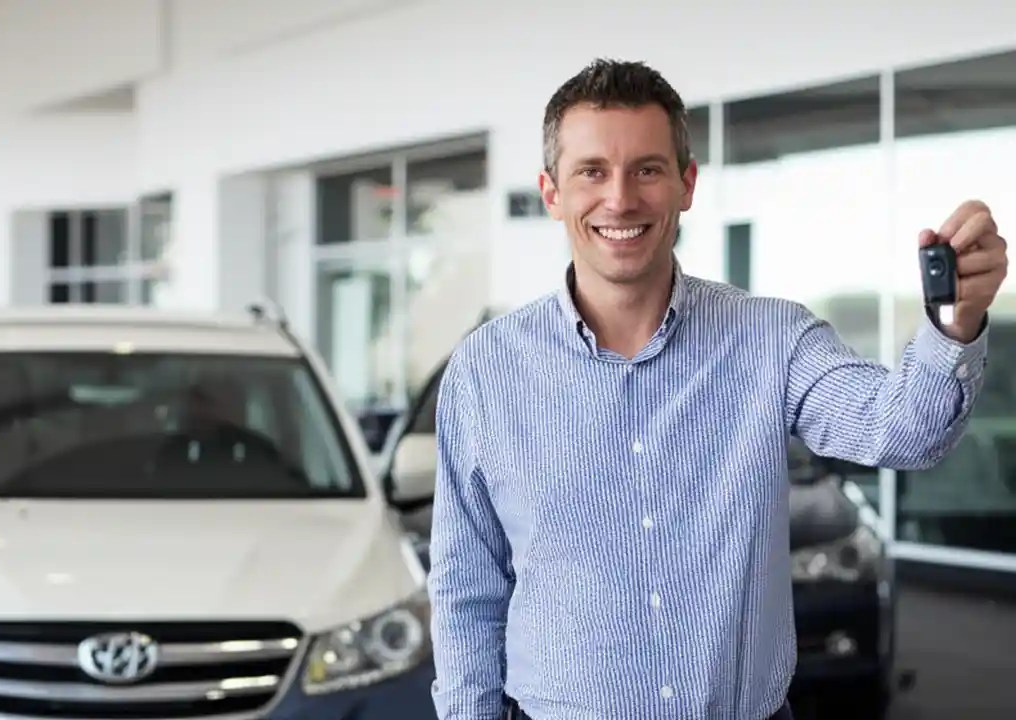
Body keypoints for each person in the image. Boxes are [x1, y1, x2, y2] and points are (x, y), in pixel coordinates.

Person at [426, 58, 1008, 720]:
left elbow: (903, 429)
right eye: (592, 171)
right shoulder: (485, 372)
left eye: (647, 169)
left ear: (687, 184)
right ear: (552, 191)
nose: (619, 198)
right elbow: (466, 592)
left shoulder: (771, 340)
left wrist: (954, 321)